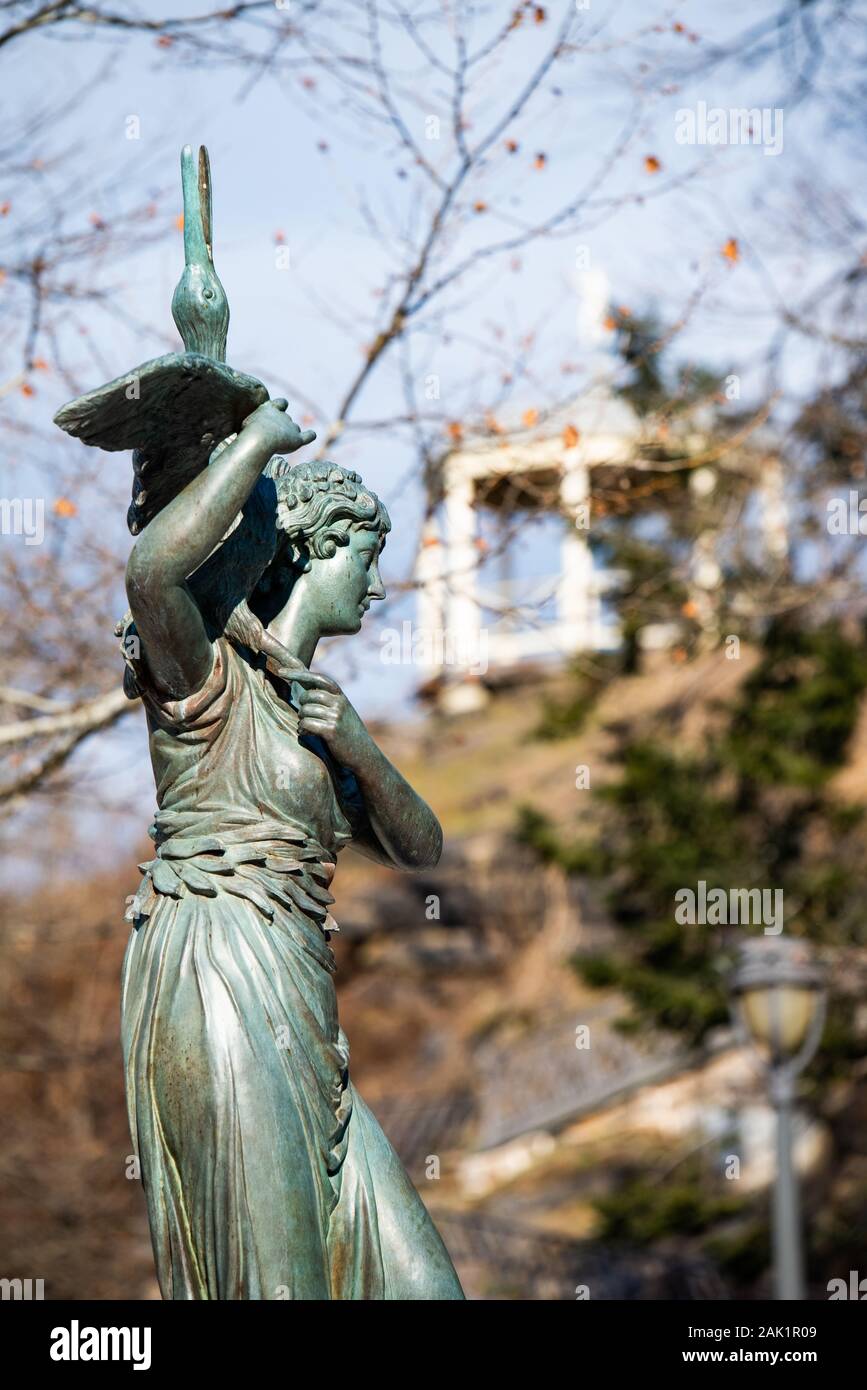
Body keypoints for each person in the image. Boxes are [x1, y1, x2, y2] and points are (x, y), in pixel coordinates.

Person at [120, 397, 465, 1300]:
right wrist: (254, 447)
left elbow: (422, 847)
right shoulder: (206, 675)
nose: (378, 587)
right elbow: (154, 574)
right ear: (313, 550)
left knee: (426, 1288)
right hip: (219, 973)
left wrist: (358, 746)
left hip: (310, 1020)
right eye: (367, 556)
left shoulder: (315, 718)